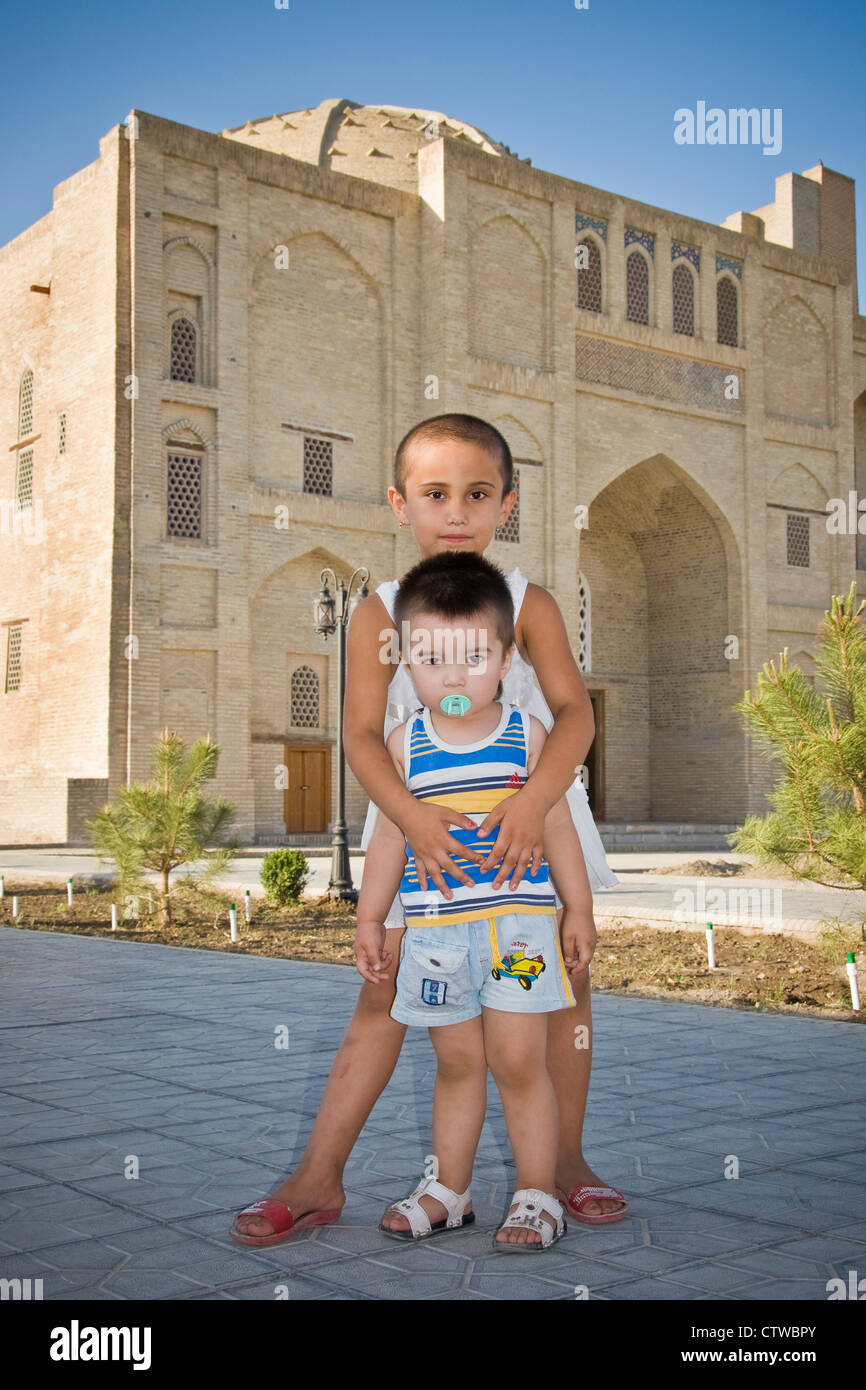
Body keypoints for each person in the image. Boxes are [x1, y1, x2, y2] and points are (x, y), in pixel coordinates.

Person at [230, 413, 627, 1246]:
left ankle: (563, 1165)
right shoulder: (376, 613)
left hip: (536, 817)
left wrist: (530, 804)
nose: (457, 511)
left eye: (478, 493)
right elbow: (365, 737)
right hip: (423, 828)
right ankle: (317, 1177)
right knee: (386, 991)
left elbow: (573, 716)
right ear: (398, 503)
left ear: (506, 504)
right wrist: (409, 821)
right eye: (435, 493)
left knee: (563, 988)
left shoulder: (527, 603)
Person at [354, 550, 597, 1249]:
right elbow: (389, 843)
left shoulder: (528, 737)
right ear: (405, 663)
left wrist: (576, 910)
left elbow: (557, 828)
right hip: (435, 942)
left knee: (520, 1062)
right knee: (457, 1062)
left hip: (518, 936)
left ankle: (535, 1193)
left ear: (507, 657)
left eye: (472, 658)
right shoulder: (407, 745)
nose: (453, 677)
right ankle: (450, 1190)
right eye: (432, 660)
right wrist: (374, 918)